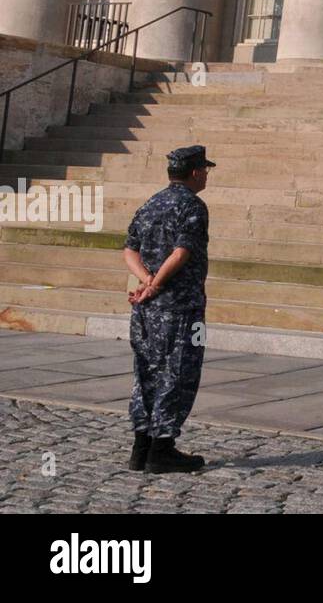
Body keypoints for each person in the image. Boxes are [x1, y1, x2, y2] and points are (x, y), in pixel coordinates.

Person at [122, 144, 215, 474]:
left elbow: (129, 250)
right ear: (194, 172)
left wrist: (146, 281)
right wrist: (157, 283)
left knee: (146, 373)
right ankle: (162, 449)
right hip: (180, 307)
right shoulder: (193, 205)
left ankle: (141, 447)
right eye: (205, 169)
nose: (206, 175)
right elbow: (181, 253)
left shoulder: (151, 203)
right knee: (177, 374)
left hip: (146, 310)